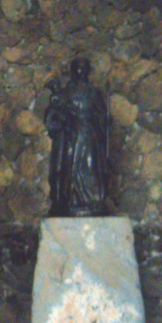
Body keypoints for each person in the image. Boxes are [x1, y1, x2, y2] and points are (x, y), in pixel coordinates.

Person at [44, 57, 109, 217]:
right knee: (68, 168)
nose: (81, 70)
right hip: (70, 136)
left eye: (84, 67)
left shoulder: (94, 93)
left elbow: (101, 114)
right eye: (78, 67)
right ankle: (69, 200)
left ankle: (93, 201)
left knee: (90, 166)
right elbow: (55, 113)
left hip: (89, 135)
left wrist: (104, 121)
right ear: (73, 71)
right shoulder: (66, 92)